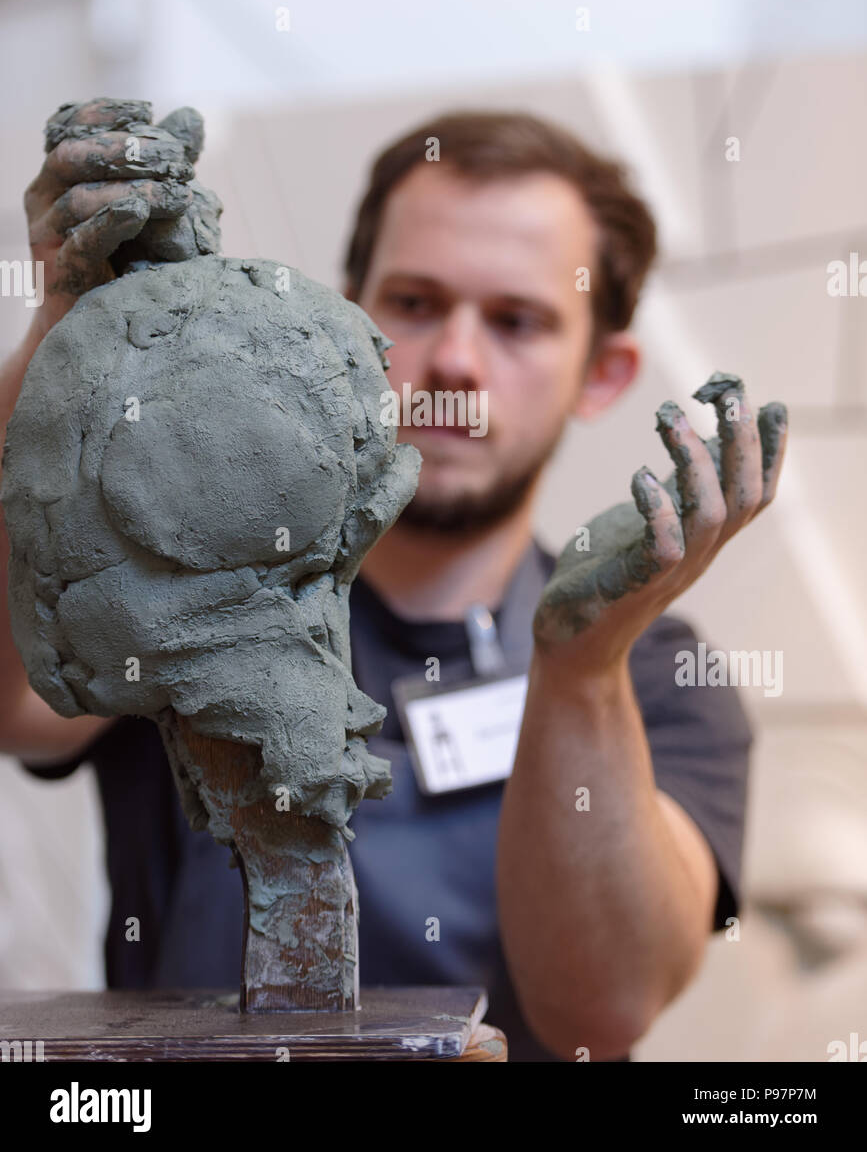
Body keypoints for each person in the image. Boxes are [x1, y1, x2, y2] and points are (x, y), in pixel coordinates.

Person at [0, 102, 785, 1062]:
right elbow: (16, 705)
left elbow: (601, 1012)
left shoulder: (658, 674)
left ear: (602, 373)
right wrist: (64, 341)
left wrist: (582, 670)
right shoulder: (194, 580)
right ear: (344, 322)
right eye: (414, 303)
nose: (453, 360)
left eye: (516, 321)